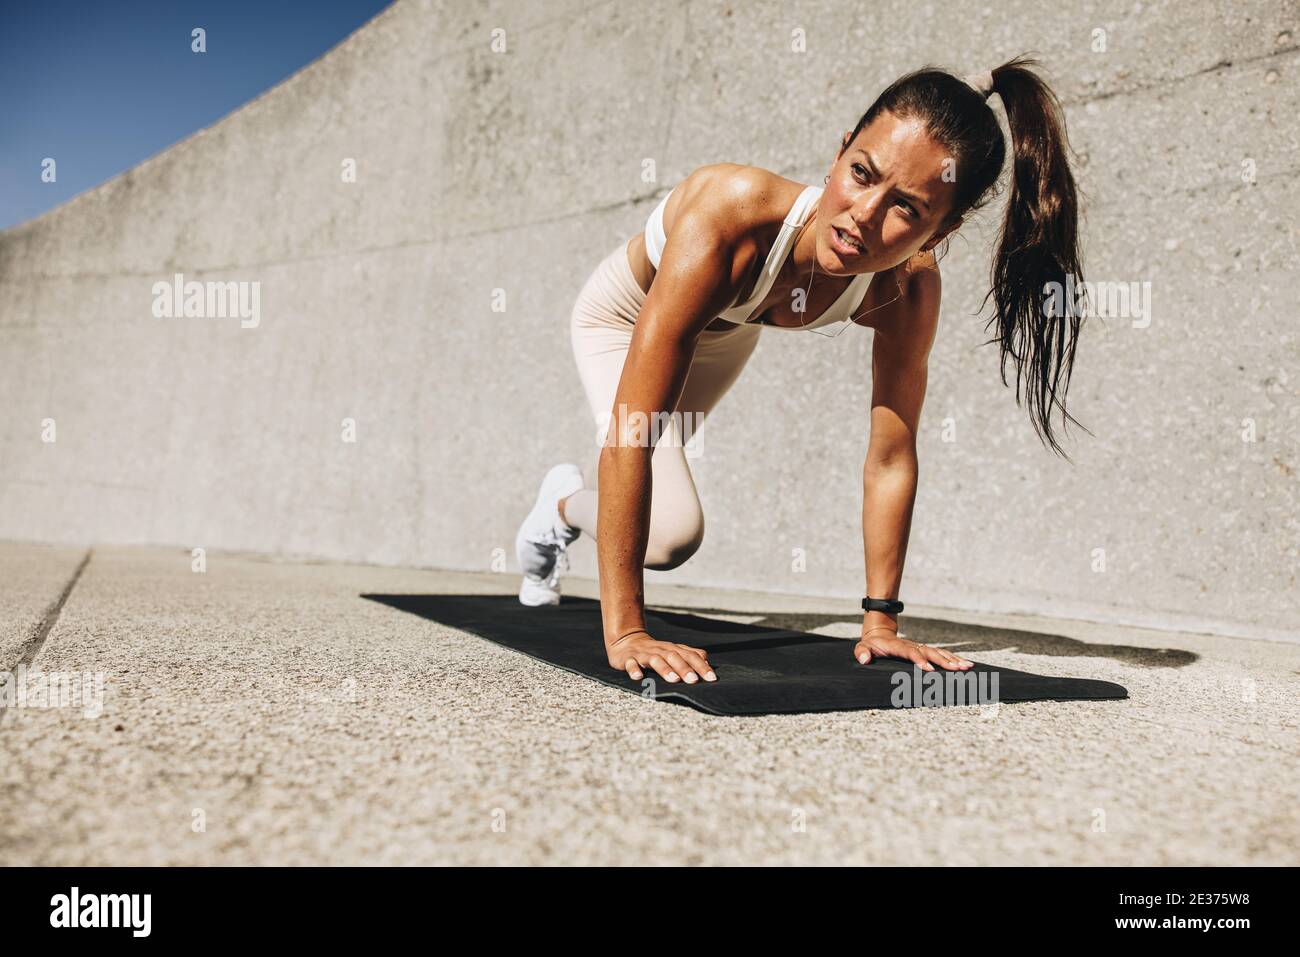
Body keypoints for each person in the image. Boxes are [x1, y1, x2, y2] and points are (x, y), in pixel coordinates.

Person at [515, 56, 1088, 687]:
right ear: (840, 152)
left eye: (906, 208)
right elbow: (631, 435)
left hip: (728, 331)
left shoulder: (908, 286)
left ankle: (565, 505)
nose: (862, 217)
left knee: (660, 524)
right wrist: (626, 630)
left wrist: (880, 623)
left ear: (942, 229)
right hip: (625, 318)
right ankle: (560, 507)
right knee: (671, 538)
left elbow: (891, 455)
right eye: (861, 174)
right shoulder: (729, 216)